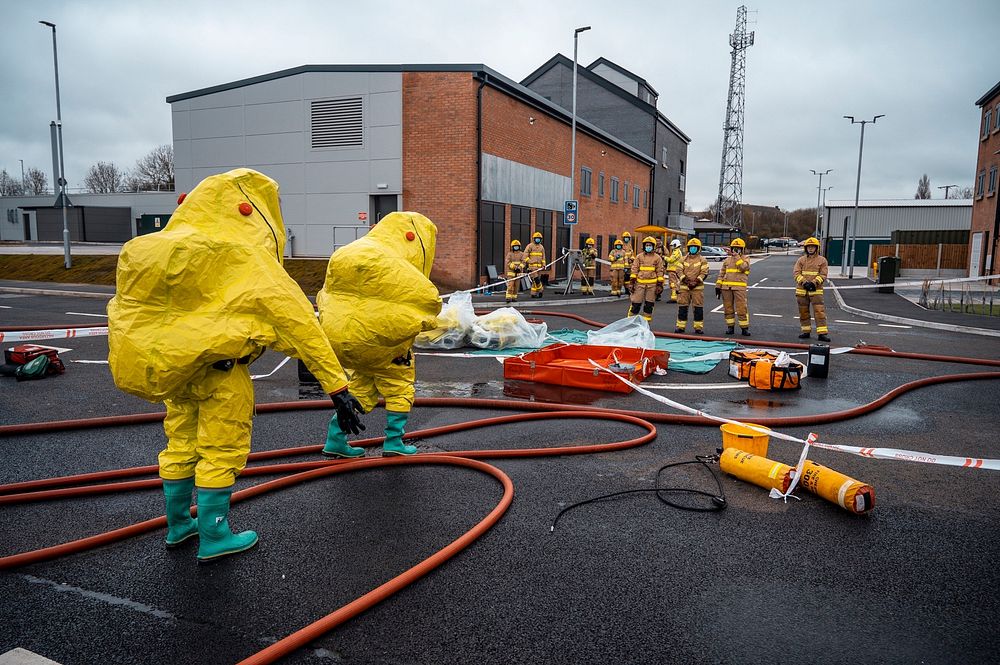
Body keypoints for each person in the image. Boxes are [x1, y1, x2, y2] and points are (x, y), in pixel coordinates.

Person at [107, 168, 366, 563]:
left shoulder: (146, 250)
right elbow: (301, 326)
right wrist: (338, 387)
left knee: (179, 444)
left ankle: (178, 525)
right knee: (220, 449)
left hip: (177, 372)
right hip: (222, 374)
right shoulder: (244, 257)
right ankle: (215, 534)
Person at [318, 211, 442, 459]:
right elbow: (428, 301)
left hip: (347, 342)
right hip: (386, 348)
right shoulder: (395, 265)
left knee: (361, 388)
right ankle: (394, 440)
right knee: (399, 386)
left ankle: (335, 438)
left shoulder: (347, 254)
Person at [793, 237, 831, 342]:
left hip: (816, 290)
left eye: (812, 247)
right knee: (803, 312)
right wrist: (805, 283)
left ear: (816, 248)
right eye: (808, 247)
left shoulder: (822, 260)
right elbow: (796, 273)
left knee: (819, 312)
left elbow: (823, 274)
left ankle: (822, 334)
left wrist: (814, 283)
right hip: (802, 291)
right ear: (805, 248)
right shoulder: (801, 260)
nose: (810, 248)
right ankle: (806, 331)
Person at [715, 238, 752, 336]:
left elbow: (743, 267)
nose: (736, 250)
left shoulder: (745, 258)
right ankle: (730, 327)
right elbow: (722, 274)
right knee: (728, 308)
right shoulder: (727, 260)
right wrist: (718, 286)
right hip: (726, 288)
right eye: (734, 248)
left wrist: (736, 256)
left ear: (742, 249)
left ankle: (744, 328)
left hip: (739, 288)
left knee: (741, 308)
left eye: (738, 248)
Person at [674, 238, 710, 334]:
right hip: (684, 288)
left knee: (698, 308)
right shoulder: (683, 259)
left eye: (695, 247)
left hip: (697, 289)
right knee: (682, 308)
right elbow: (678, 271)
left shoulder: (703, 260)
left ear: (698, 248)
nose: (693, 249)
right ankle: (680, 327)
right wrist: (686, 281)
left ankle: (698, 328)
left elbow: (704, 273)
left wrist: (696, 282)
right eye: (691, 247)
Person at [627, 236, 665, 321]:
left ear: (653, 246)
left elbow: (660, 271)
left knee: (649, 306)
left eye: (650, 245)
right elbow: (634, 269)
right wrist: (632, 282)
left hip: (652, 286)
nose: (648, 247)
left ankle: (646, 324)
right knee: (635, 305)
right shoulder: (639, 257)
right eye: (647, 245)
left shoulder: (657, 258)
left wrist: (660, 285)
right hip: (639, 284)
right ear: (644, 246)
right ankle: (630, 322)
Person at [525, 231, 547, 299]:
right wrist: (530, 262)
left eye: (539, 238)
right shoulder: (530, 246)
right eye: (536, 238)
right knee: (536, 280)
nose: (538, 240)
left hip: (539, 267)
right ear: (534, 239)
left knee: (535, 281)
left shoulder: (541, 247)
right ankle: (541, 290)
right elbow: (525, 256)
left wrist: (544, 264)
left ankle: (533, 294)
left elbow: (543, 257)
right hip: (532, 267)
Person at [504, 239, 526, 303]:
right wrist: (514, 267)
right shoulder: (510, 254)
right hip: (511, 273)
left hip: (518, 273)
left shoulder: (522, 254)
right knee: (510, 285)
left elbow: (524, 262)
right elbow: (507, 262)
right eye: (515, 246)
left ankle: (514, 297)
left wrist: (520, 267)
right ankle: (508, 297)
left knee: (516, 286)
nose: (516, 247)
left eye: (517, 246)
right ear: (512, 247)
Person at [666, 238, 684, 302]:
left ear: (675, 245)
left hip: (673, 270)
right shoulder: (678, 251)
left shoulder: (676, 252)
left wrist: (664, 257)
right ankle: (677, 297)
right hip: (675, 270)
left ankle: (674, 298)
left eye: (672, 245)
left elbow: (671, 260)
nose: (671, 247)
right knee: (676, 283)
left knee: (673, 283)